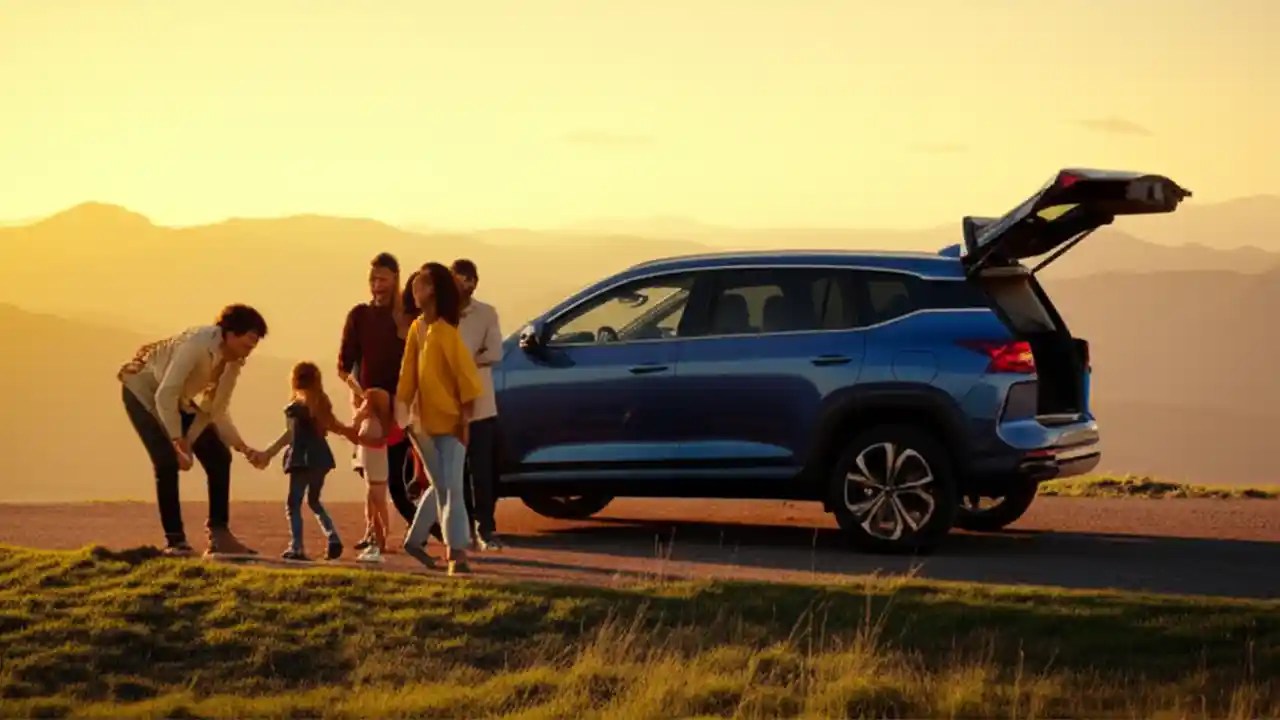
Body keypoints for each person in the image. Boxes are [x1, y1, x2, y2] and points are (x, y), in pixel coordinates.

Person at [118, 304, 268, 558]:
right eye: (247, 344)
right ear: (229, 334)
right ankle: (175, 540)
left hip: (177, 400)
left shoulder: (233, 361)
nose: (249, 352)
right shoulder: (197, 344)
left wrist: (242, 447)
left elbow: (216, 411)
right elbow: (165, 393)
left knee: (219, 456)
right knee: (165, 462)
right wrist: (178, 441)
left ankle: (219, 536)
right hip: (143, 393)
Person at [396, 262, 484, 576]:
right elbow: (407, 377)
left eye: (418, 285)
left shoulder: (446, 334)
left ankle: (420, 541)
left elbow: (466, 383)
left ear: (431, 289)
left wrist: (464, 422)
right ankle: (456, 554)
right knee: (448, 487)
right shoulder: (419, 329)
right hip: (423, 426)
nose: (413, 291)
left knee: (445, 486)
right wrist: (401, 415)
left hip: (448, 424)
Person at [338, 253, 418, 538]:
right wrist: (361, 397)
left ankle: (427, 531)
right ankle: (374, 533)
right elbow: (344, 367)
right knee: (371, 476)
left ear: (395, 278)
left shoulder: (410, 318)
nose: (376, 285)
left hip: (403, 408)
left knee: (395, 479)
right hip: (369, 408)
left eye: (382, 279)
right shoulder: (359, 316)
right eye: (372, 279)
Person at [257, 362, 358, 562]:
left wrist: (269, 453)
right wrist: (351, 433)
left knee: (293, 504)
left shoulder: (295, 408)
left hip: (301, 460)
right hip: (321, 458)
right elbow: (334, 425)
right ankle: (333, 536)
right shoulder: (321, 402)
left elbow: (289, 435)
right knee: (314, 500)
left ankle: (297, 546)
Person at [451, 258, 505, 551]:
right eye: (460, 279)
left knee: (482, 471)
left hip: (481, 406)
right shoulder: (439, 316)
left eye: (470, 279)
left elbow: (494, 352)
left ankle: (486, 529)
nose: (467, 285)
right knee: (453, 473)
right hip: (447, 407)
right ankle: (461, 530)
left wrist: (464, 364)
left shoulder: (486, 314)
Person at [347, 387, 404, 563]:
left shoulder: (376, 424)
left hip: (375, 465)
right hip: (370, 464)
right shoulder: (374, 421)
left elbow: (374, 441)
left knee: (378, 502)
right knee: (372, 502)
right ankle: (374, 535)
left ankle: (380, 538)